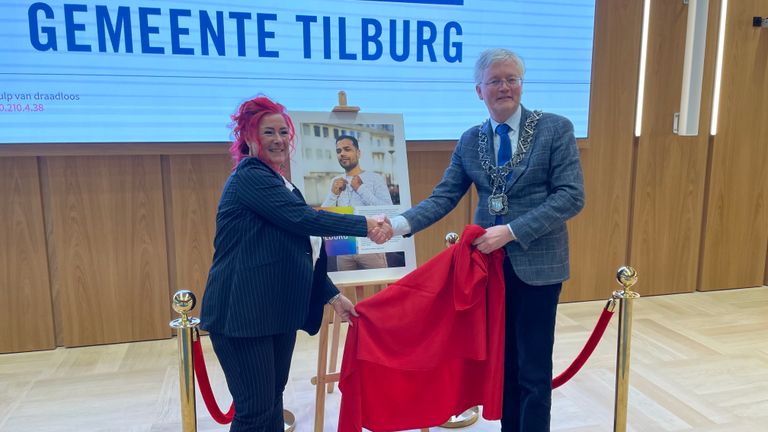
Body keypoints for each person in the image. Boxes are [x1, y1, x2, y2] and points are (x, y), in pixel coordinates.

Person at [390, 48, 585, 432]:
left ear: (522, 84)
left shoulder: (554, 128)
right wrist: (397, 225)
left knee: (533, 369)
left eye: (512, 79)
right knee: (504, 363)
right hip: (487, 269)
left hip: (539, 265)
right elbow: (444, 196)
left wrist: (512, 231)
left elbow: (571, 196)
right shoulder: (470, 140)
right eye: (495, 80)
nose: (505, 87)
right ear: (479, 90)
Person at [199, 95, 393, 431]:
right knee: (255, 413)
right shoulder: (251, 176)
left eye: (283, 132)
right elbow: (304, 220)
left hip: (271, 313)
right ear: (248, 138)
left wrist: (333, 295)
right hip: (241, 316)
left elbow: (301, 249)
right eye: (268, 132)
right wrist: (366, 224)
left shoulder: (280, 183)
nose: (278, 140)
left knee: (271, 403)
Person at [321, 134, 393, 271]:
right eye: (338, 151)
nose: (342, 154)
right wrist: (333, 194)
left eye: (347, 149)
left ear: (358, 153)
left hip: (371, 246)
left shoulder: (375, 178)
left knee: (380, 283)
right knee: (345, 285)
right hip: (344, 247)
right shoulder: (335, 181)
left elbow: (387, 211)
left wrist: (361, 189)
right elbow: (323, 216)